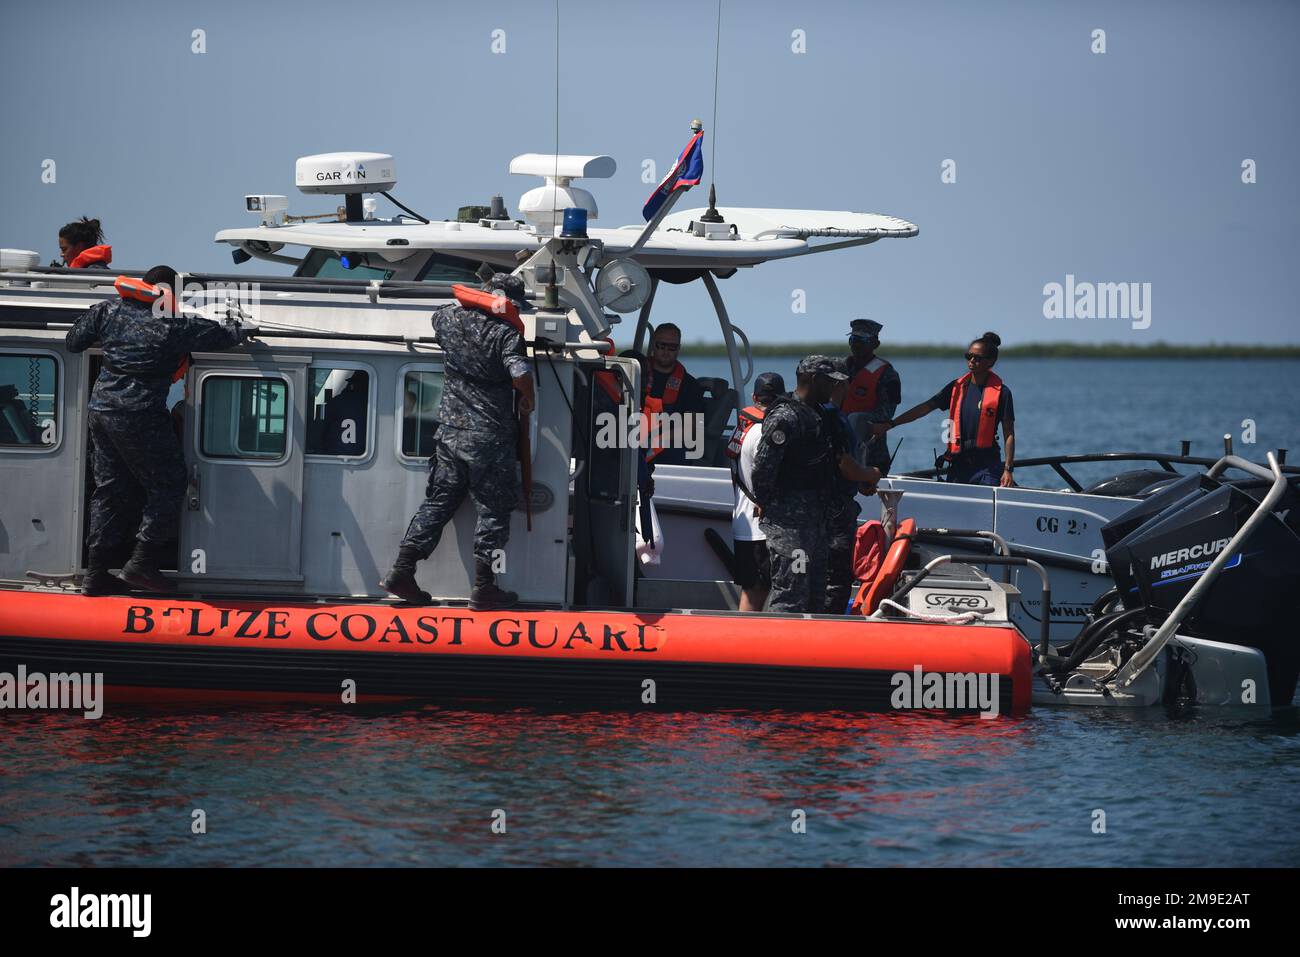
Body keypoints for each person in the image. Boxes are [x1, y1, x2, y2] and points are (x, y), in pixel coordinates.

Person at [65, 265, 254, 595]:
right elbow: (224, 336)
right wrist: (242, 328)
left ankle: (96, 572)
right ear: (169, 294)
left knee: (110, 488)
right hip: (140, 413)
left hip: (101, 410)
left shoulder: (107, 311)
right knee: (169, 485)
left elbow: (73, 342)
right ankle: (142, 561)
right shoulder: (173, 323)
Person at [381, 272, 535, 610]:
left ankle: (402, 571)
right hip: (490, 440)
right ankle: (486, 585)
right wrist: (529, 397)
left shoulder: (448, 319)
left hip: (449, 436)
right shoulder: (505, 334)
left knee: (438, 504)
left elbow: (438, 315)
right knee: (494, 512)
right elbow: (520, 373)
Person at [750, 356, 880, 614]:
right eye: (829, 382)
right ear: (812, 379)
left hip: (817, 525)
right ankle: (780, 652)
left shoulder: (820, 415)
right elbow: (762, 471)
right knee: (790, 596)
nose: (834, 388)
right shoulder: (786, 417)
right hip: (790, 528)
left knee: (816, 596)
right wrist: (772, 508)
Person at [872, 332, 1016, 487]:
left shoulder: (1002, 393)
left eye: (978, 358)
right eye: (969, 356)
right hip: (959, 464)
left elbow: (1008, 433)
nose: (972, 361)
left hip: (987, 466)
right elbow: (925, 408)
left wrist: (1008, 469)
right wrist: (892, 424)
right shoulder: (956, 388)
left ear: (991, 362)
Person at [726, 371, 784, 612]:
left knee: (750, 591)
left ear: (754, 397)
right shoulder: (765, 432)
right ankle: (743, 645)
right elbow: (767, 476)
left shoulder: (743, 428)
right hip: (760, 528)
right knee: (756, 594)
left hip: (743, 524)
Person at [822, 359, 864, 614]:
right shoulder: (835, 419)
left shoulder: (810, 413)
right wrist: (869, 474)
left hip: (814, 509)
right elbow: (844, 464)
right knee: (836, 580)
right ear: (842, 383)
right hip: (836, 509)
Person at [840, 318, 900, 473]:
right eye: (853, 339)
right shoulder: (838, 368)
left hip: (872, 452)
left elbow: (886, 413)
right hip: (838, 449)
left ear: (875, 344)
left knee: (856, 418)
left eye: (863, 340)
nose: (856, 344)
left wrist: (854, 420)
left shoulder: (887, 374)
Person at [643, 322, 706, 466]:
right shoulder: (637, 373)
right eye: (661, 345)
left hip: (668, 449)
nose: (666, 351)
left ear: (678, 349)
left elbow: (693, 428)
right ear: (653, 344)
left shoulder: (690, 385)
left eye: (672, 347)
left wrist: (656, 439)